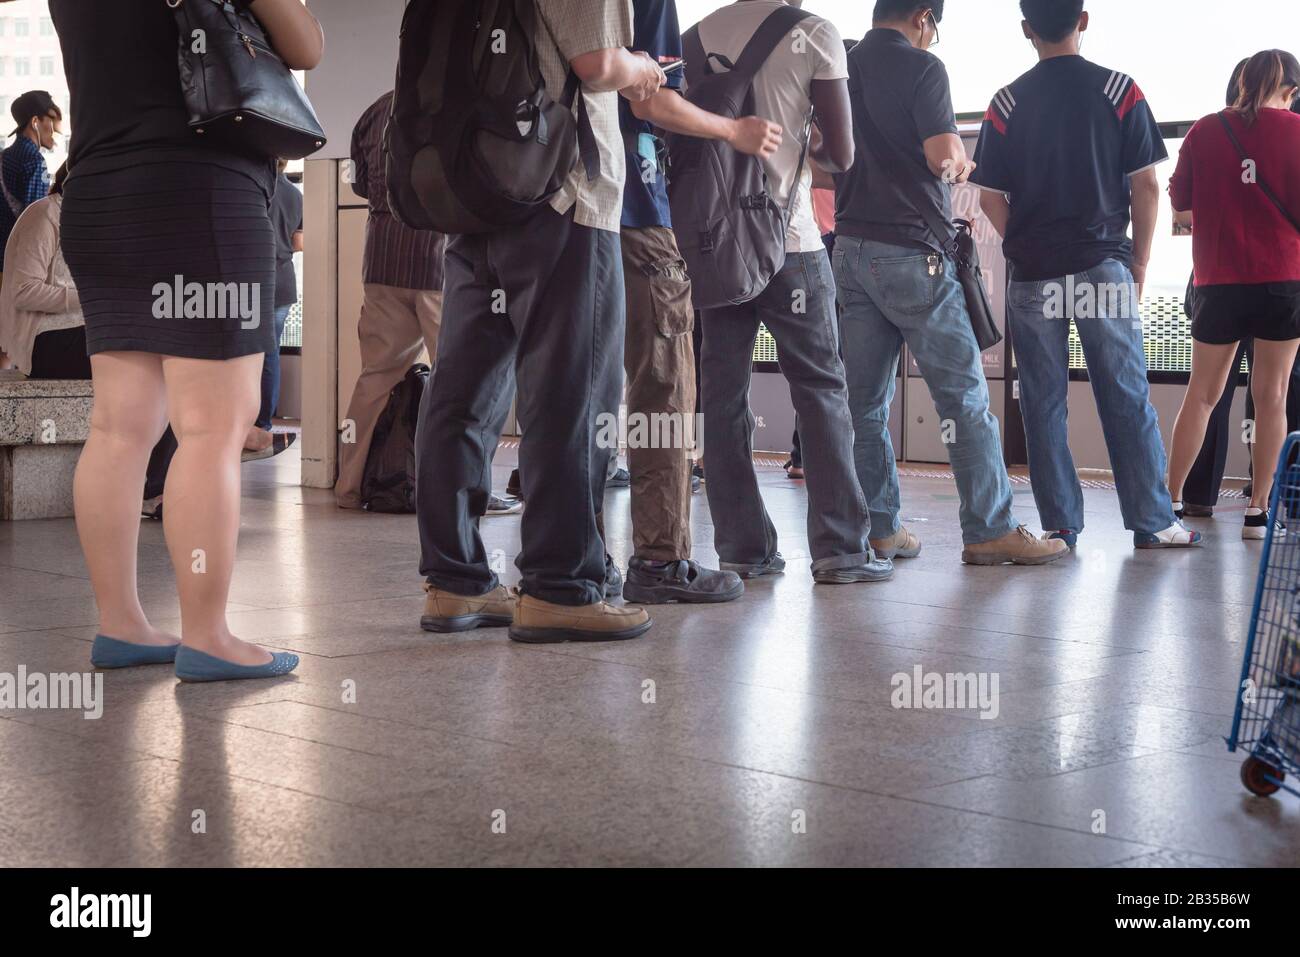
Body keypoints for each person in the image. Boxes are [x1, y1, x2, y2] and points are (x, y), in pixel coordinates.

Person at [49, 0, 323, 681]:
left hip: (98, 191)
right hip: (201, 186)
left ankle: (121, 623)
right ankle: (208, 633)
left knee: (118, 427)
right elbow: (306, 45)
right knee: (212, 428)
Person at [415, 0, 667, 641]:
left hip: (478, 198)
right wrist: (641, 68)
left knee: (461, 395)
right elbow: (597, 64)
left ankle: (454, 580)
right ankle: (562, 586)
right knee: (570, 393)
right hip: (563, 194)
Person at [834, 1, 1066, 566]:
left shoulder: (839, 64)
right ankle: (989, 529)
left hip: (849, 250)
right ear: (922, 17)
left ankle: (882, 530)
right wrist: (959, 163)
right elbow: (943, 155)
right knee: (962, 398)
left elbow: (824, 160)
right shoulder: (923, 68)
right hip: (913, 252)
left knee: (862, 405)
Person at [972, 0, 1199, 551]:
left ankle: (1060, 525)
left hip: (1032, 274)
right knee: (1124, 394)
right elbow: (1146, 187)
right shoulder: (1120, 91)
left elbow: (988, 196)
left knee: (1043, 401)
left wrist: (1021, 242)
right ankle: (1153, 521)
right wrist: (1138, 262)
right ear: (1084, 19)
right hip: (1102, 265)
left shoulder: (1006, 102)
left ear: (1026, 30)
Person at [692, 0, 894, 586]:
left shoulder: (696, 35)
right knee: (821, 389)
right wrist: (799, 147)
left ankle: (742, 548)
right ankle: (839, 550)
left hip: (717, 243)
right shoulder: (816, 34)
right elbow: (843, 155)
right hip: (790, 242)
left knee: (724, 394)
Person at [616, 0, 781, 605]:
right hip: (632, 209)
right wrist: (731, 130)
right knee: (662, 389)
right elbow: (651, 100)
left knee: (570, 387)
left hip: (555, 215)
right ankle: (660, 561)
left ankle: (563, 561)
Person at [1165, 49, 1300, 540]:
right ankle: (1258, 514)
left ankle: (1171, 502)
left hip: (1218, 281)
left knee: (1201, 396)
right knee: (1273, 397)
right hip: (1283, 281)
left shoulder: (1204, 130)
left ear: (1242, 82)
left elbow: (1180, 205)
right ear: (1291, 89)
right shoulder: (1298, 132)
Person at [335, 91, 448, 511]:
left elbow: (359, 183)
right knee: (458, 382)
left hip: (382, 259)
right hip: (440, 260)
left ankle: (348, 485)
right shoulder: (455, 101)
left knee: (375, 378)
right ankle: (460, 493)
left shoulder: (373, 111)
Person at [0, 162, 86, 378]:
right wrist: (89, 298)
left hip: (76, 331)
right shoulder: (46, 213)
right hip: (43, 340)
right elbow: (24, 291)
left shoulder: (84, 221)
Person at [1, 90, 62, 370]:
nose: (56, 131)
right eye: (51, 121)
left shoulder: (5, 157)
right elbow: (35, 215)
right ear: (35, 122)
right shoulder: (33, 161)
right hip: (20, 262)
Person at [248, 158, 304, 451]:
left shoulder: (256, 189)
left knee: (244, 355)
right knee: (271, 356)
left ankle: (243, 423)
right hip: (283, 283)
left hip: (254, 281)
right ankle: (263, 424)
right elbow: (300, 242)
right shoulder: (296, 194)